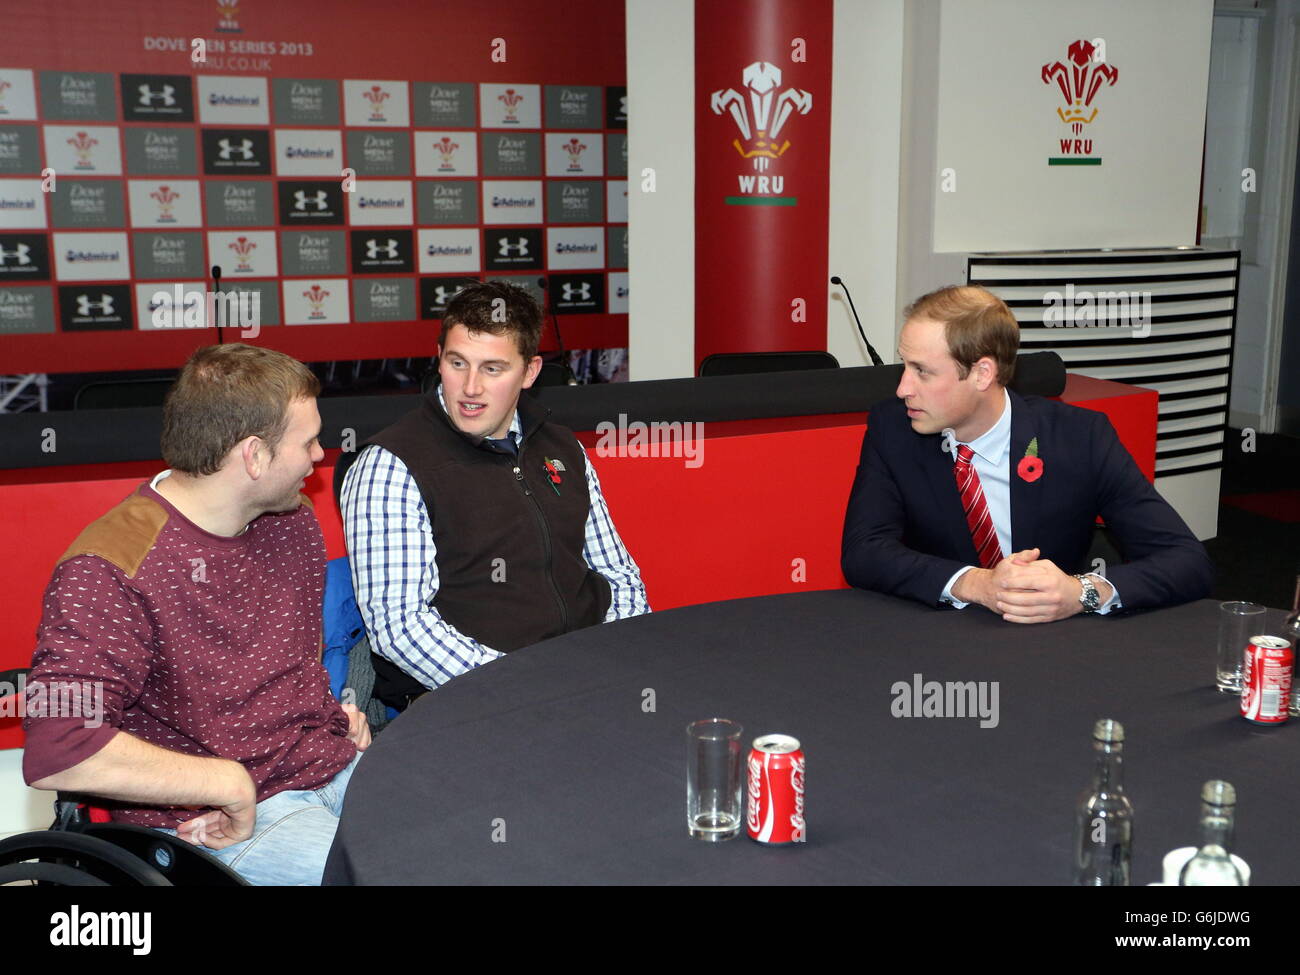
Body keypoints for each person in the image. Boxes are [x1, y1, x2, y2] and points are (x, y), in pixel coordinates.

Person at [23, 345, 367, 886]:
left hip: (328, 764)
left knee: (466, 844)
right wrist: (225, 782)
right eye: (307, 442)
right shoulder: (106, 569)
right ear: (254, 456)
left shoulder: (290, 521)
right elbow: (58, 746)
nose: (319, 456)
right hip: (213, 821)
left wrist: (332, 715)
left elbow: (282, 671)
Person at [341, 281, 648, 709]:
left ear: (530, 372)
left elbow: (618, 575)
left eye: (492, 368)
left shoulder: (561, 447)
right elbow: (401, 627)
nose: (470, 387)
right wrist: (522, 686)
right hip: (475, 700)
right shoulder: (391, 465)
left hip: (590, 675)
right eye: (457, 363)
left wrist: (616, 654)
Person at [841, 285, 1213, 621]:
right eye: (905, 365)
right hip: (939, 637)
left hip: (1050, 646)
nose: (903, 387)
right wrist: (976, 584)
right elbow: (864, 552)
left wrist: (1080, 592)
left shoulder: (1080, 437)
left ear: (982, 373)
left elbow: (1186, 561)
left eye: (922, 371)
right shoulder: (893, 428)